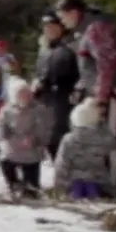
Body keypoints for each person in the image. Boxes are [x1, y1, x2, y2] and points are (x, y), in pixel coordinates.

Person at [55, 0, 116, 127]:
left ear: (73, 13)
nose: (62, 22)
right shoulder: (84, 30)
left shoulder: (96, 29)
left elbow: (106, 63)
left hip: (110, 94)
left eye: (63, 17)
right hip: (95, 91)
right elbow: (88, 66)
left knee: (106, 137)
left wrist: (101, 98)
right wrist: (81, 87)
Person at [34, 12, 80, 159]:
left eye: (53, 27)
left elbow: (80, 72)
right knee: (47, 137)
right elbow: (41, 71)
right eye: (46, 27)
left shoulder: (72, 47)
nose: (49, 30)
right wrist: (37, 82)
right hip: (45, 97)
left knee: (61, 136)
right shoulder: (44, 48)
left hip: (64, 97)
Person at [56, 99, 115, 200]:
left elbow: (62, 163)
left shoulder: (68, 139)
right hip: (98, 180)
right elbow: (113, 146)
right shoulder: (103, 138)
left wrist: (59, 185)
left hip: (74, 181)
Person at [0, 79, 46, 198]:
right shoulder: (7, 110)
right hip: (13, 143)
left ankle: (30, 186)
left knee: (32, 191)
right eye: (22, 94)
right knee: (5, 158)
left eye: (27, 93)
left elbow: (43, 129)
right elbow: (1, 129)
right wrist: (4, 142)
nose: (26, 97)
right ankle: (13, 184)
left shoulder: (39, 109)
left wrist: (33, 139)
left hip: (32, 145)